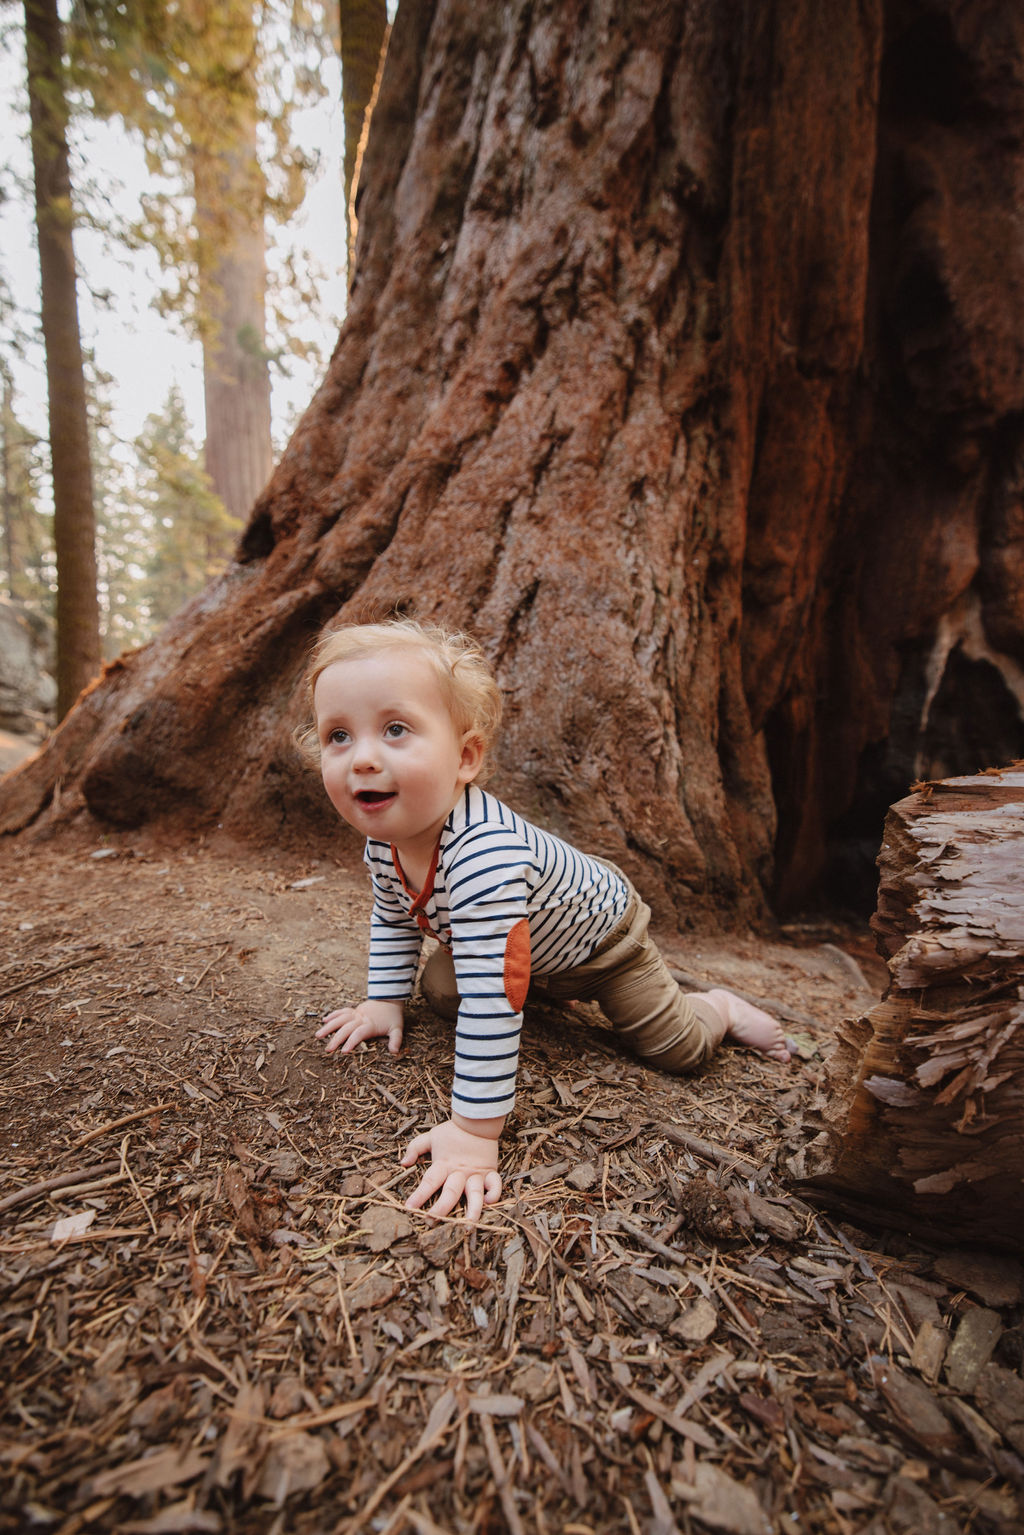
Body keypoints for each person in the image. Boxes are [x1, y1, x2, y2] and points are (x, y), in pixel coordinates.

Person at [299, 618, 791, 1223]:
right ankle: (539, 991)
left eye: (395, 730)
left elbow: (497, 996)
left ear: (466, 757)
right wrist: (382, 1002)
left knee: (678, 1050)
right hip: (524, 950)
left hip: (603, 945)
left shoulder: (483, 856)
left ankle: (721, 1007)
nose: (363, 759)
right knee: (440, 991)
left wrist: (475, 1137)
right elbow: (396, 916)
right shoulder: (386, 841)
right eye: (339, 736)